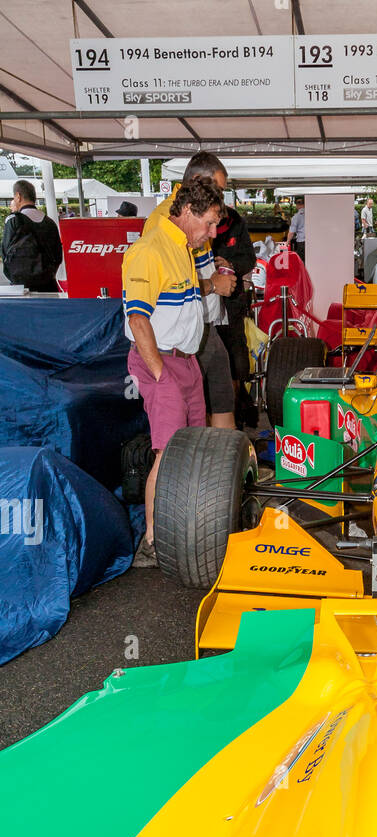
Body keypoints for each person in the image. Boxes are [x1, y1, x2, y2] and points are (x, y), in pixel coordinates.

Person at [122, 178, 225, 566]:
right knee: (167, 452)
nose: (212, 233)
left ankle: (189, 525)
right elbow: (137, 319)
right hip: (161, 362)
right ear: (188, 213)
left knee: (193, 448)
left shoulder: (183, 245)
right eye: (211, 224)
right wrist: (160, 374)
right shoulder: (149, 249)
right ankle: (151, 541)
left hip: (186, 361)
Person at [144, 153, 237, 431]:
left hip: (205, 325)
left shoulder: (198, 215)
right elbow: (167, 285)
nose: (212, 232)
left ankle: (225, 468)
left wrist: (216, 268)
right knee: (181, 433)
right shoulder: (163, 221)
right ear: (197, 182)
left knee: (221, 404)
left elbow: (190, 267)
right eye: (217, 190)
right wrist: (212, 285)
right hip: (182, 338)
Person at [213, 199, 258, 426]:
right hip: (204, 301)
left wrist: (229, 263)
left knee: (236, 355)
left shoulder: (235, 221)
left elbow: (249, 259)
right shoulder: (190, 222)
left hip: (232, 300)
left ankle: (239, 407)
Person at [1, 179, 63, 292]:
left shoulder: (14, 220)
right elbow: (58, 255)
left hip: (21, 288)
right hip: (48, 286)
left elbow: (5, 253)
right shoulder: (50, 222)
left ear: (18, 196)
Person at [288, 195, 306, 262]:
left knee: (301, 261)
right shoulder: (311, 213)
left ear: (297, 205)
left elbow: (292, 232)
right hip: (311, 241)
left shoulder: (296, 217)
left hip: (301, 242)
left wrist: (287, 242)